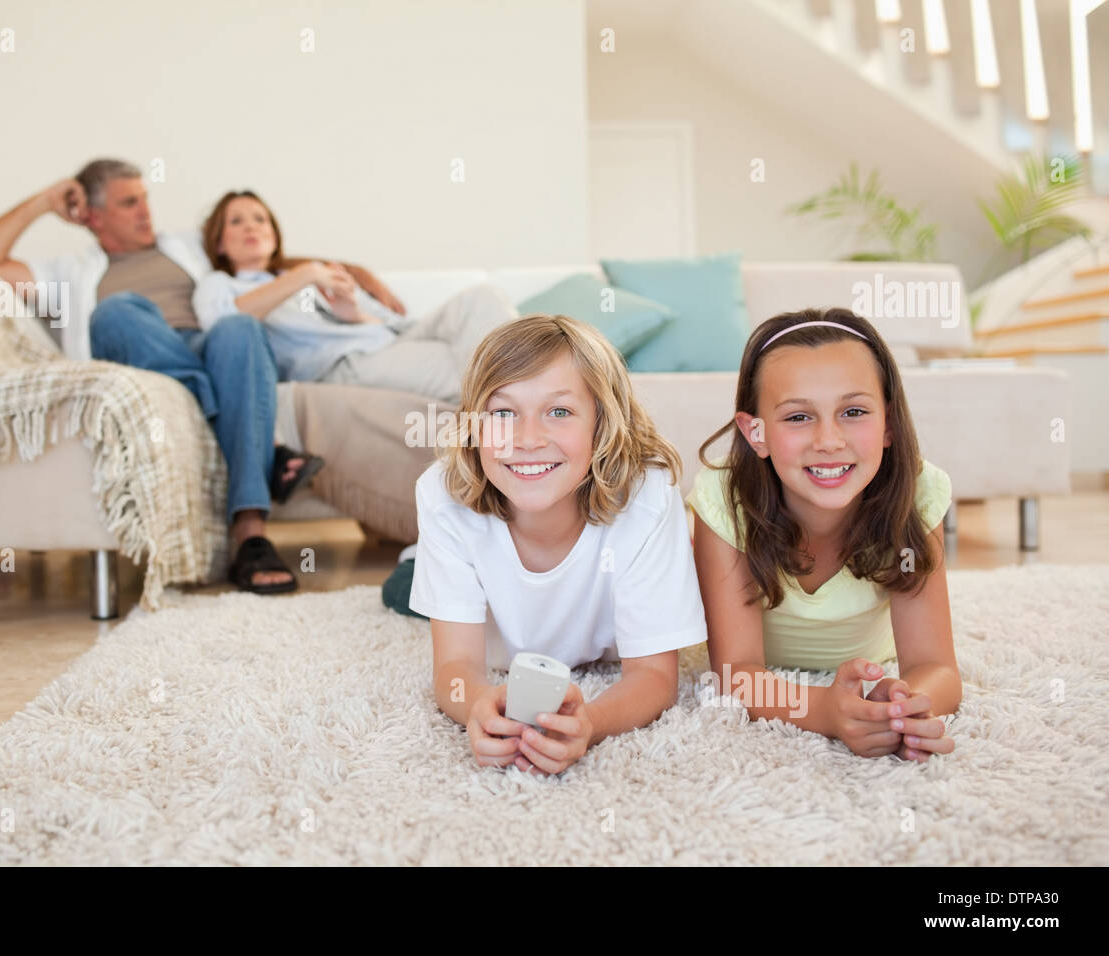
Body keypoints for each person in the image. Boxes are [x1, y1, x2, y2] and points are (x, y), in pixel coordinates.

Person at [0, 160, 323, 593]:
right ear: (93, 217)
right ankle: (252, 440)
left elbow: (264, 251)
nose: (145, 211)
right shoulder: (67, 275)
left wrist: (355, 275)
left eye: (145, 199)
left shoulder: (189, 246)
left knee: (239, 327)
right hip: (146, 362)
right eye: (129, 203)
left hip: (211, 353)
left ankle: (250, 534)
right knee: (117, 311)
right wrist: (41, 203)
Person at [408, 314, 709, 775]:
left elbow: (653, 677)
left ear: (602, 424)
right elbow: (455, 665)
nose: (528, 440)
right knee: (402, 593)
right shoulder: (442, 497)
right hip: (471, 580)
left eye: (560, 411)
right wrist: (479, 709)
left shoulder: (648, 497)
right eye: (503, 413)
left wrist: (590, 722)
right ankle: (410, 564)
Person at [687, 308, 961, 762]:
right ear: (756, 433)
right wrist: (823, 710)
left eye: (853, 412)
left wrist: (906, 705)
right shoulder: (723, 500)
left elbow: (937, 667)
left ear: (889, 424)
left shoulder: (917, 491)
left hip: (876, 655)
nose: (829, 440)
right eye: (798, 417)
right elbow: (737, 675)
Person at [192, 190, 518, 404]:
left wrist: (354, 315)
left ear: (274, 235)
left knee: (482, 298)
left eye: (260, 219)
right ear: (219, 243)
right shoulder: (221, 284)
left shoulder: (305, 276)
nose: (252, 227)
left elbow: (390, 322)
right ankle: (529, 410)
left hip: (394, 335)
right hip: (347, 362)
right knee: (467, 370)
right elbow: (223, 326)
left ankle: (528, 400)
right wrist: (303, 274)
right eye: (237, 221)